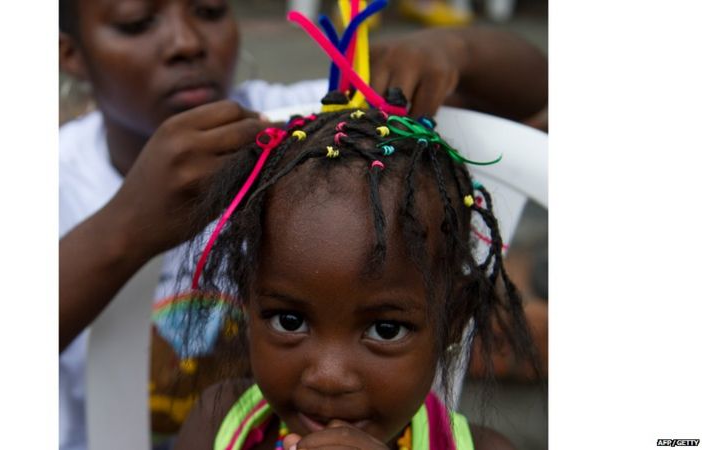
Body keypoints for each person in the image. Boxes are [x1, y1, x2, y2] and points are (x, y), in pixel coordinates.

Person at [59, 0, 547, 448]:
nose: (186, 42)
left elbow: (543, 95)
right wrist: (125, 225)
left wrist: (456, 48)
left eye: (209, 10)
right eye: (136, 23)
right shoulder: (218, 421)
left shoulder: (337, 124)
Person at [169, 99, 539, 450]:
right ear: (248, 298)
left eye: (385, 330)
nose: (328, 377)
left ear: (454, 319)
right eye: (289, 321)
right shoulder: (219, 423)